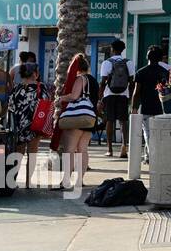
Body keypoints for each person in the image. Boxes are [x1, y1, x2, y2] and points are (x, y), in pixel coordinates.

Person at [55, 52, 95, 191]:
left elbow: (74, 96)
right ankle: (80, 180)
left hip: (77, 118)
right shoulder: (93, 80)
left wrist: (61, 98)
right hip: (89, 118)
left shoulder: (80, 79)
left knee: (70, 149)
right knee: (83, 149)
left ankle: (66, 180)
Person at [131, 45, 169, 165]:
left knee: (148, 134)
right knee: (156, 134)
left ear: (147, 56)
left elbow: (136, 92)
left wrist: (134, 108)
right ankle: (148, 156)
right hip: (161, 108)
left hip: (146, 107)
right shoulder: (164, 72)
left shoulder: (141, 72)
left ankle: (152, 157)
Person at [99, 39, 133, 158]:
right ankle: (124, 147)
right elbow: (131, 81)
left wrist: (100, 97)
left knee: (110, 120)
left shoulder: (107, 63)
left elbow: (103, 82)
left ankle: (109, 149)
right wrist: (130, 97)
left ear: (112, 50)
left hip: (109, 95)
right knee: (123, 121)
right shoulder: (129, 62)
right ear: (123, 50)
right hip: (124, 94)